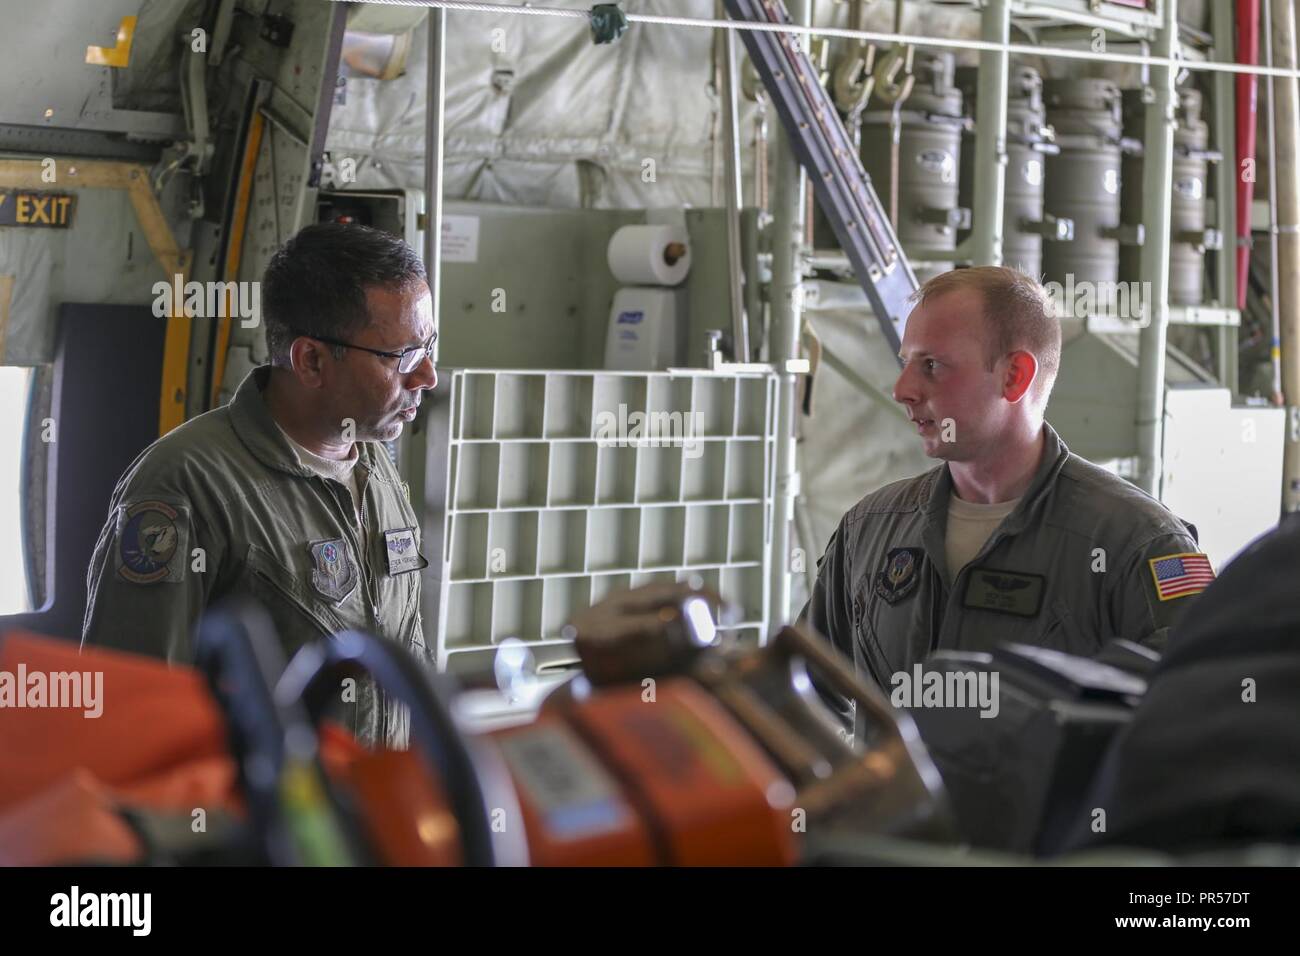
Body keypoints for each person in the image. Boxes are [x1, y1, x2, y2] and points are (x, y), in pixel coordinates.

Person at [801, 266, 1213, 737]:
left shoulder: (1138, 543)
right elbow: (804, 693)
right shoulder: (869, 530)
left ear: (1015, 376)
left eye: (932, 365)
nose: (902, 390)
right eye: (906, 362)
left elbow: (1197, 722)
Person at [82, 222, 438, 746]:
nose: (427, 375)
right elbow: (131, 713)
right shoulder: (186, 485)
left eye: (429, 344)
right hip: (271, 821)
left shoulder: (374, 461)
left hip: (375, 809)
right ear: (312, 360)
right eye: (401, 355)